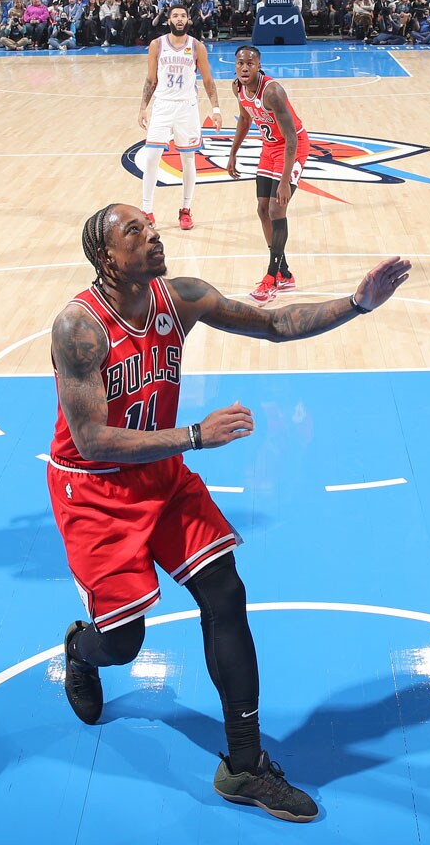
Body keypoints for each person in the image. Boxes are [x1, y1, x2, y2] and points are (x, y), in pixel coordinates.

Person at [52, 202, 409, 821]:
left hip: (160, 475)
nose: (153, 234)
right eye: (135, 231)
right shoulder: (79, 327)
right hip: (96, 488)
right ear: (108, 258)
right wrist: (194, 435)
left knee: (225, 593)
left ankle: (244, 765)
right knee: (124, 641)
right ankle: (81, 650)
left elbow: (273, 323)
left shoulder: (182, 298)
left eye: (151, 224)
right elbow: (91, 439)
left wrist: (357, 304)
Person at [227, 45, 310, 304]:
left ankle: (271, 278)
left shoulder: (272, 92)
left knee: (276, 210)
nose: (244, 67)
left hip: (291, 149)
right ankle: (285, 273)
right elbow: (244, 119)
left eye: (250, 63)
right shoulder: (237, 88)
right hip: (269, 149)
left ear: (258, 65)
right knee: (262, 210)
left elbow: (293, 139)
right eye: (240, 63)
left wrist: (285, 181)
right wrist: (233, 153)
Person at [136, 6, 221, 230]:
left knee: (188, 160)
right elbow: (150, 79)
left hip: (187, 107)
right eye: (175, 16)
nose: (179, 19)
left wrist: (216, 109)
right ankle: (147, 210)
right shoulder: (157, 45)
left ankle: (185, 209)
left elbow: (208, 80)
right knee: (152, 157)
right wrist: (143, 107)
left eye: (183, 16)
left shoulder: (196, 46)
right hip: (163, 106)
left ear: (188, 20)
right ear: (169, 20)